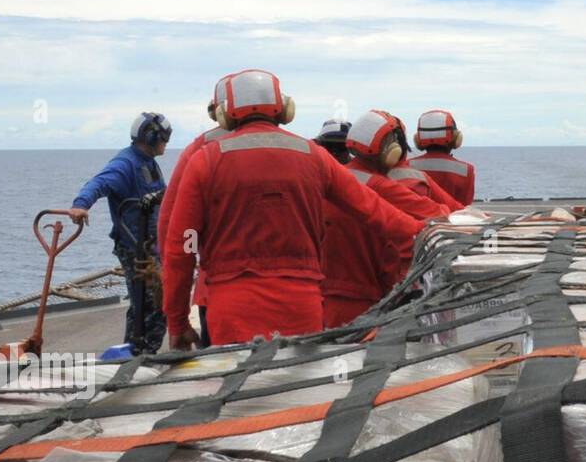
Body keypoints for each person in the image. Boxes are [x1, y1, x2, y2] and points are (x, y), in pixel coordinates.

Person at [161, 70, 422, 348]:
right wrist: (426, 229)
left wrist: (177, 322)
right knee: (299, 390)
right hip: (301, 305)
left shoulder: (204, 161)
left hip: (232, 308)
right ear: (285, 108)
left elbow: (182, 246)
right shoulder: (313, 156)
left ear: (225, 115)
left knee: (241, 389)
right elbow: (373, 210)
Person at [321, 110, 449, 328]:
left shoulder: (335, 177)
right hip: (367, 298)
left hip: (326, 294)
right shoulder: (381, 186)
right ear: (390, 150)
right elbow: (440, 216)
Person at [69, 111, 172, 352]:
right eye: (164, 138)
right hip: (135, 246)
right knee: (152, 302)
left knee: (147, 301)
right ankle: (140, 353)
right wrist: (80, 205)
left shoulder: (148, 162)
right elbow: (99, 182)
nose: (166, 143)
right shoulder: (125, 164)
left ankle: (137, 351)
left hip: (151, 245)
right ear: (151, 137)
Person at [158, 77, 231, 348]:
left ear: (218, 111)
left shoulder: (200, 152)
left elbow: (177, 242)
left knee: (220, 381)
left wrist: (177, 322)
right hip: (301, 302)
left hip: (221, 300)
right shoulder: (304, 152)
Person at [408, 109, 475, 206]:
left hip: (414, 221)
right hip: (451, 220)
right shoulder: (466, 170)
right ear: (456, 138)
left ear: (418, 139)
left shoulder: (407, 167)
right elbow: (464, 208)